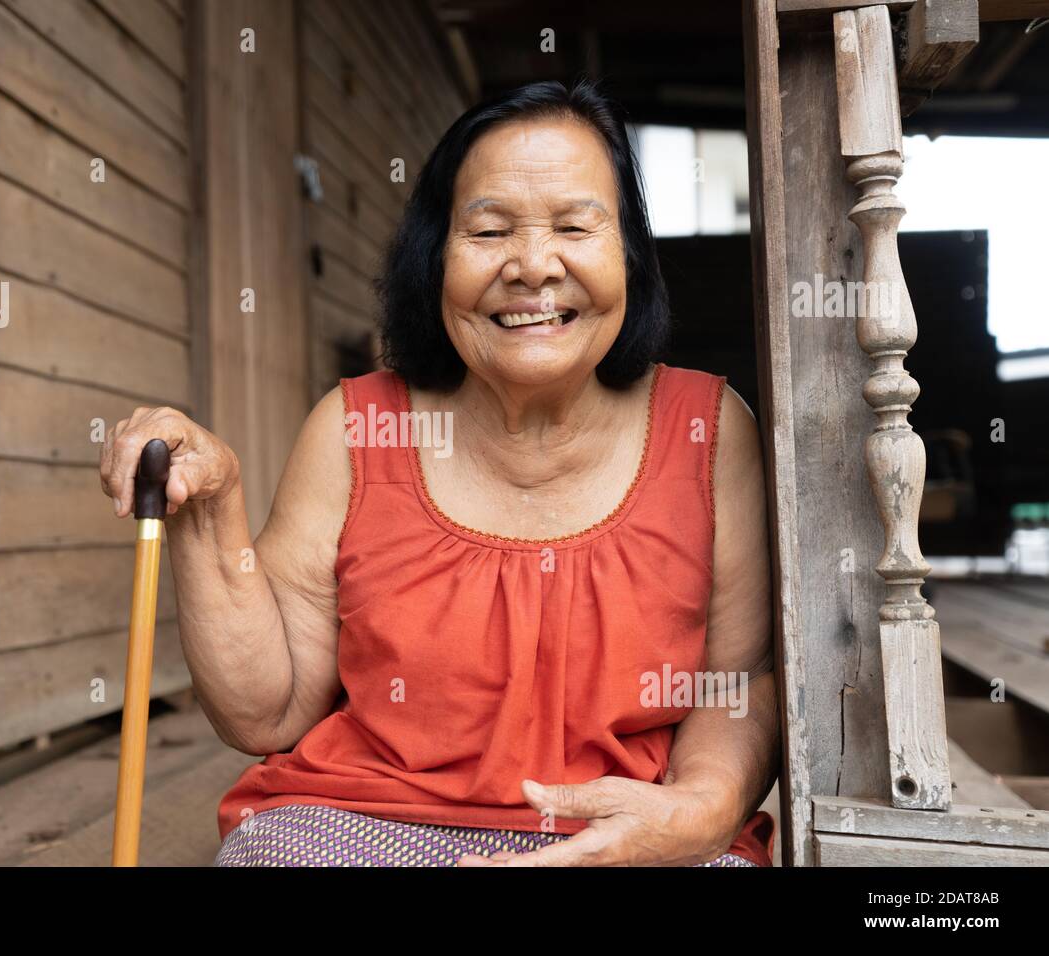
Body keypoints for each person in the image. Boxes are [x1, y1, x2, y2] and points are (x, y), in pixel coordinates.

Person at [99, 79, 777, 867]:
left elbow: (738, 683)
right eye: (489, 231)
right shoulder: (358, 428)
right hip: (363, 826)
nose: (531, 266)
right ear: (437, 258)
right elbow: (267, 714)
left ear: (626, 252)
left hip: (623, 832)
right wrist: (209, 511)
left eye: (572, 226)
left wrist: (700, 812)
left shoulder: (710, 431)